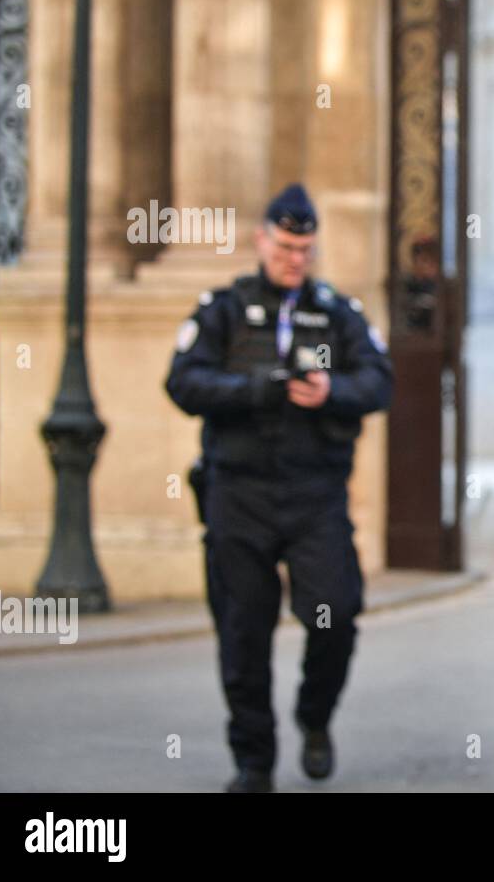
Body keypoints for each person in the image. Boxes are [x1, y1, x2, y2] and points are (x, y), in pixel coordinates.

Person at [165, 183, 393, 793]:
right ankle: (254, 761)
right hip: (238, 493)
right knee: (243, 631)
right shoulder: (224, 309)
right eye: (286, 246)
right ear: (262, 241)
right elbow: (183, 382)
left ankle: (313, 717)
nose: (295, 259)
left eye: (306, 249)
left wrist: (331, 393)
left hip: (314, 494)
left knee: (335, 615)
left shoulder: (336, 311)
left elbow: (378, 380)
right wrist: (256, 388)